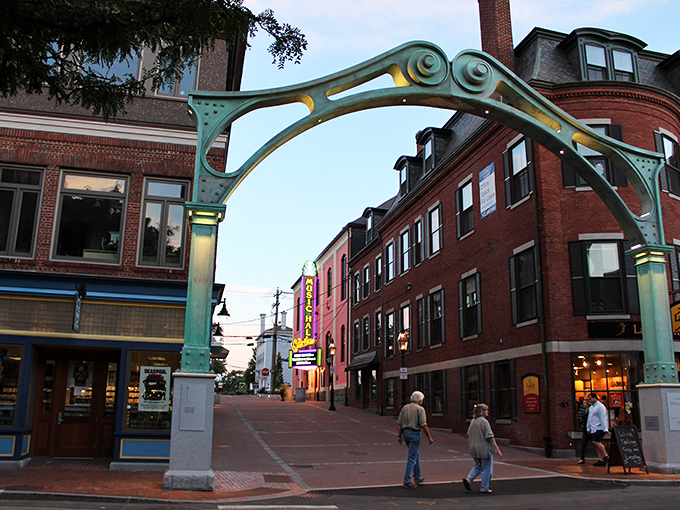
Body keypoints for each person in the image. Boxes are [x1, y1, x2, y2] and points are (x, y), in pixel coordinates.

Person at [397, 390, 434, 489]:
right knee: (412, 457)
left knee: (415, 454)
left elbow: (399, 423)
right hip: (415, 433)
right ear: (419, 400)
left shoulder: (405, 408)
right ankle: (407, 480)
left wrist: (399, 435)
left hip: (406, 433)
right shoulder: (420, 409)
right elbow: (423, 425)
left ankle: (417, 477)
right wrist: (429, 437)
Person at [463, 403, 503, 493]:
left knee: (478, 466)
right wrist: (497, 449)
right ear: (482, 412)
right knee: (487, 469)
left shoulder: (473, 421)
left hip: (474, 449)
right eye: (486, 410)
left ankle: (469, 479)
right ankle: (484, 488)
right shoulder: (484, 422)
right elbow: (490, 437)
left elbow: (468, 434)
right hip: (484, 449)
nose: (488, 412)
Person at [587, 392, 609, 466]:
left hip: (599, 428)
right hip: (593, 428)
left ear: (594, 398)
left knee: (596, 442)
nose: (589, 400)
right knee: (595, 444)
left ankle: (606, 456)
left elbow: (603, 418)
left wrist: (605, 428)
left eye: (590, 399)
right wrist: (588, 428)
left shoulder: (600, 407)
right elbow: (589, 418)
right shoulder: (591, 407)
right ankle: (601, 459)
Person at [577, 398, 591, 464]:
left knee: (596, 443)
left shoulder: (591, 411)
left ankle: (602, 457)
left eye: (584, 403)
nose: (583, 404)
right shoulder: (583, 410)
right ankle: (582, 458)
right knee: (583, 444)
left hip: (591, 430)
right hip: (585, 430)